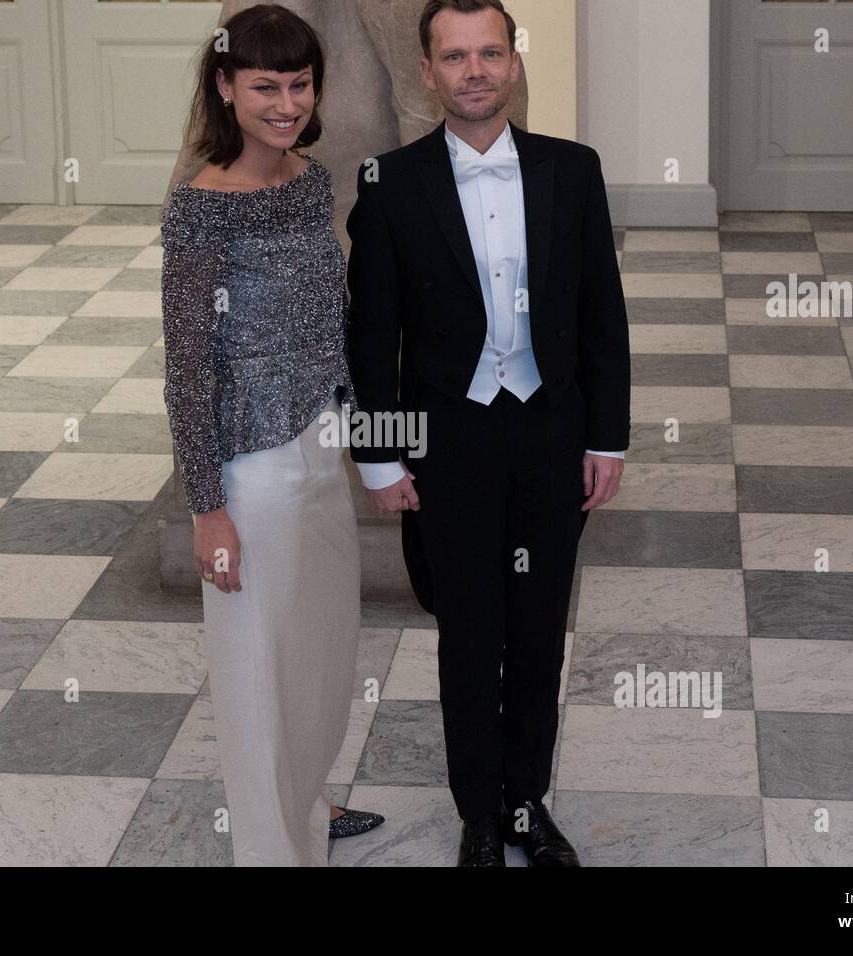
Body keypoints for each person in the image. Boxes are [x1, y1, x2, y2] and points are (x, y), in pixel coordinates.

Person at [346, 0, 630, 866]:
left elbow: (600, 317)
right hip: (450, 445)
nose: (475, 70)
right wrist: (381, 453)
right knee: (469, 632)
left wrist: (607, 440)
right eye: (455, 56)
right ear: (427, 73)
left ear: (513, 64)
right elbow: (373, 334)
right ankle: (478, 810)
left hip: (550, 436)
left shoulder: (571, 171)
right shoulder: (387, 183)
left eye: (491, 53)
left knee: (539, 629)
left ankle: (524, 805)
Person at [160, 3, 384, 866]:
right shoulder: (199, 209)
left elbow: (337, 316)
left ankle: (310, 805)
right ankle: (272, 852)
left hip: (319, 450)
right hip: (251, 472)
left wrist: (369, 438)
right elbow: (187, 370)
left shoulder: (307, 178)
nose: (286, 103)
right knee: (258, 683)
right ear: (225, 86)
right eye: (265, 86)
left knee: (322, 658)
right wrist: (206, 510)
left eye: (299, 83)